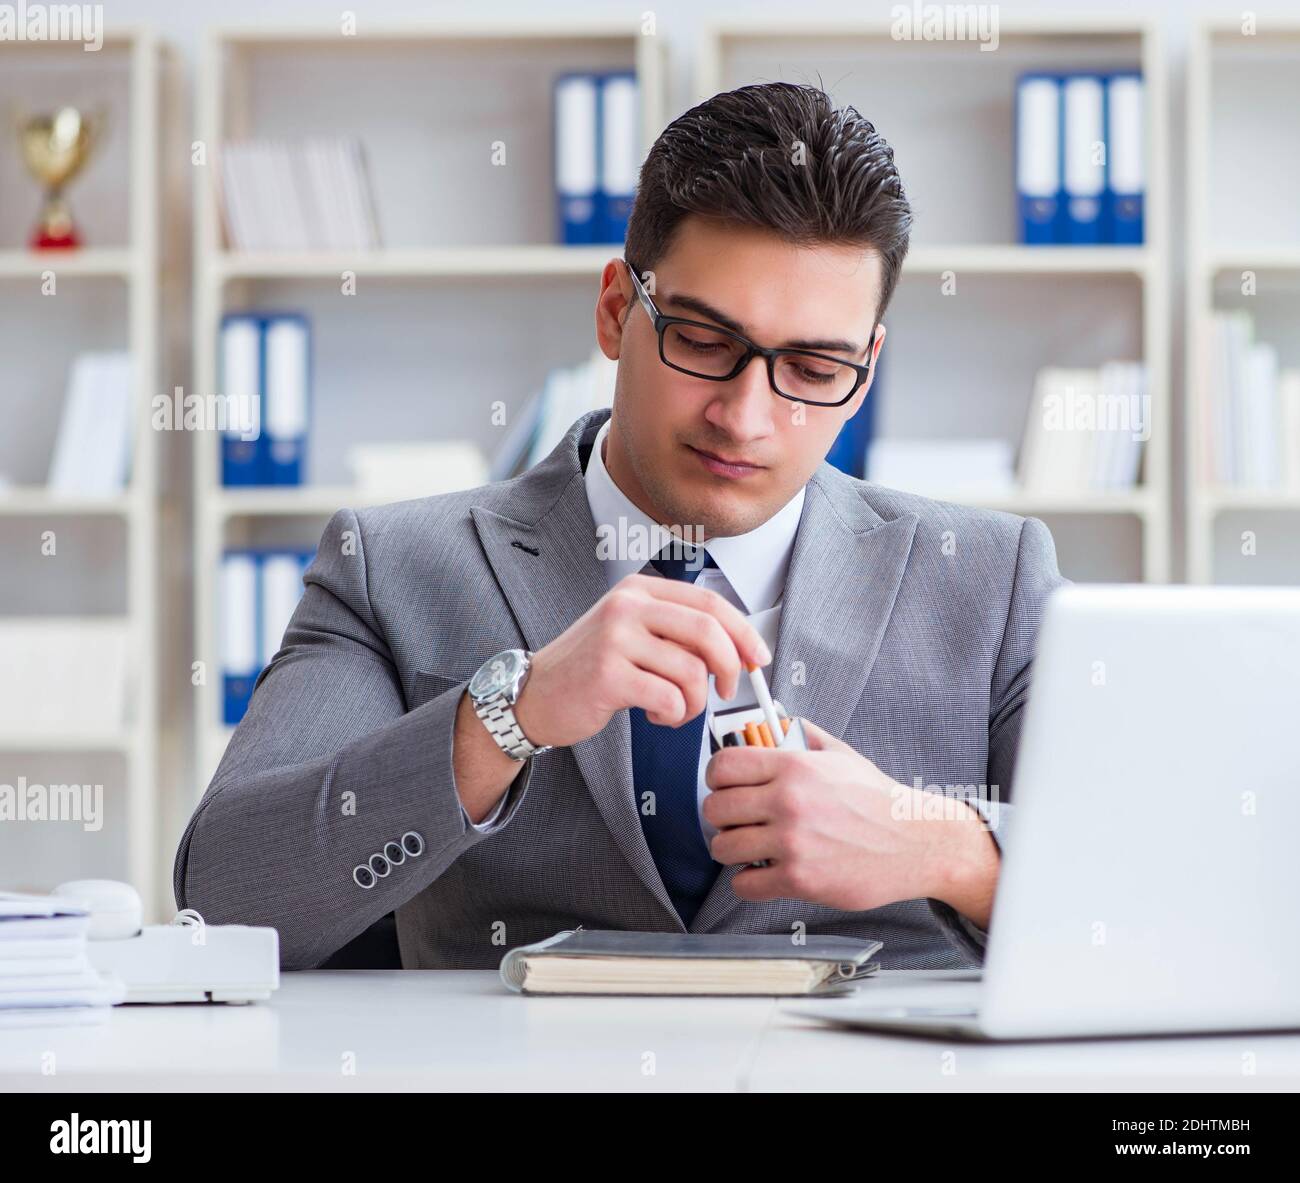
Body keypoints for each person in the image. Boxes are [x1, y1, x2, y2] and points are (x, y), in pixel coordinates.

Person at [174, 82, 1066, 972]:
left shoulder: (989, 581)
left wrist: (945, 846)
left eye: (810, 365)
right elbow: (228, 896)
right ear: (615, 309)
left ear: (864, 372)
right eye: (706, 343)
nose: (746, 416)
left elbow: (1167, 901)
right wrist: (507, 715)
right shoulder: (394, 569)